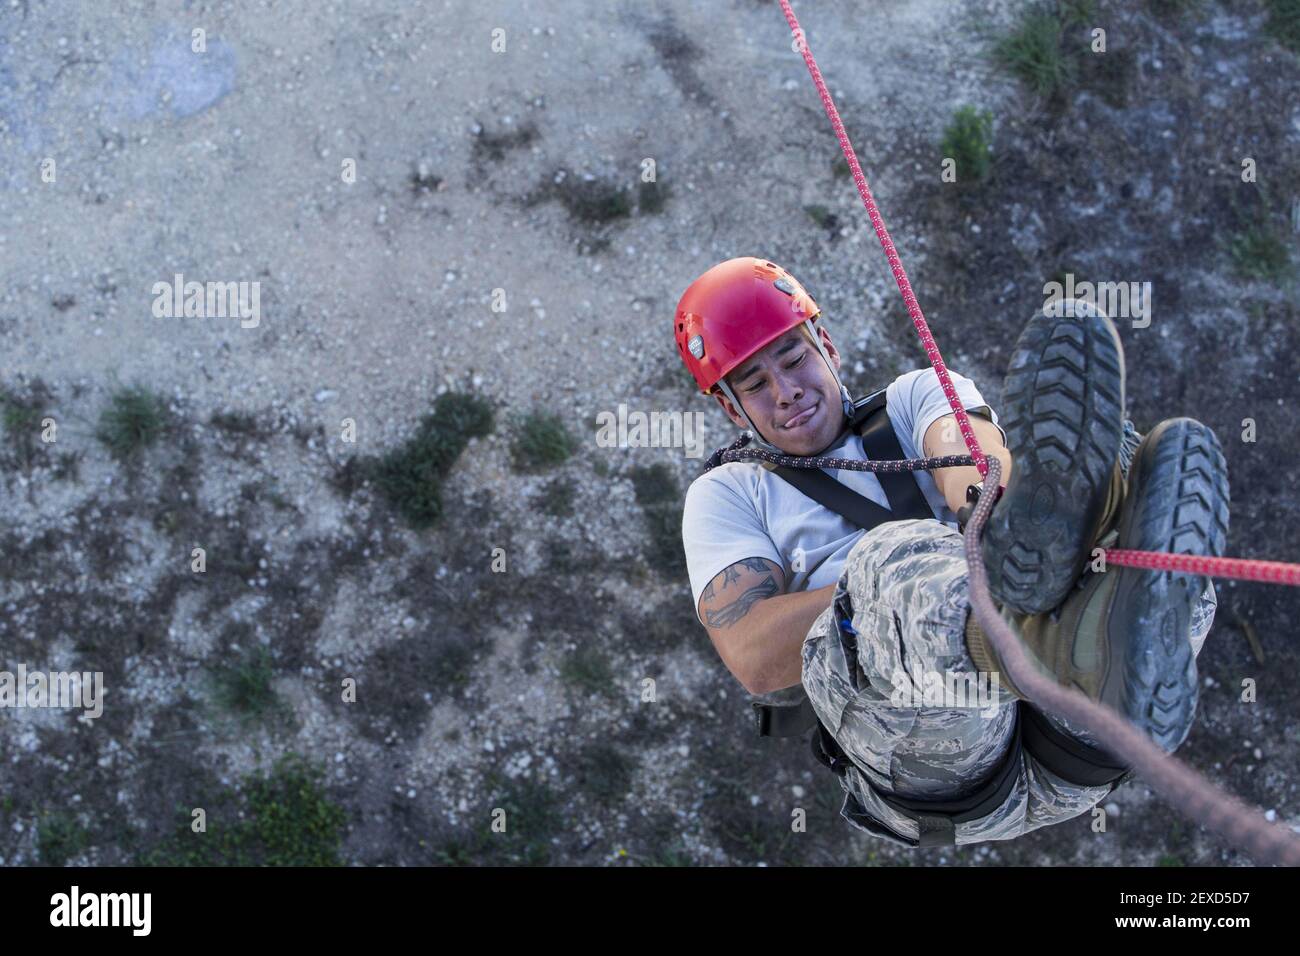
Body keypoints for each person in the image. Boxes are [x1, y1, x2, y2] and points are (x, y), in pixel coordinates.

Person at [676, 256, 1228, 848]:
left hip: (1077, 740)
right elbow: (752, 655)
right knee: (889, 561)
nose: (787, 392)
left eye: (795, 359)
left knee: (1112, 461)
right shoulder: (729, 494)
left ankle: (1118, 621)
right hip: (943, 762)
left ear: (826, 345)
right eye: (756, 385)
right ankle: (1045, 638)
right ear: (732, 408)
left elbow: (972, 464)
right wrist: (879, 592)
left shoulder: (915, 398)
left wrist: (994, 513)